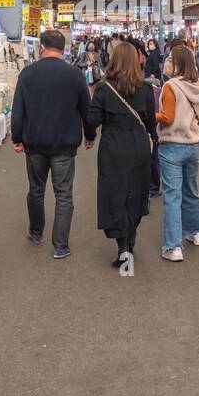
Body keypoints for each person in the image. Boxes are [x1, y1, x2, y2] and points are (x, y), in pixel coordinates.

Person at [11, 29, 97, 258]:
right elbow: (86, 111)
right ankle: (60, 245)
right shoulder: (74, 75)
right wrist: (90, 135)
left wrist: (17, 138)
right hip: (65, 145)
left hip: (35, 143)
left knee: (36, 190)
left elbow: (18, 110)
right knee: (64, 194)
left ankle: (36, 231)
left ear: (42, 46)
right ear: (63, 48)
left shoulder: (27, 74)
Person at [88, 42, 156, 269]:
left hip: (113, 148)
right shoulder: (146, 90)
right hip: (139, 148)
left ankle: (122, 246)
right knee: (136, 192)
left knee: (115, 194)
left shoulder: (104, 89)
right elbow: (151, 126)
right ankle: (131, 236)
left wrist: (89, 136)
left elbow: (92, 121)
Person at [155, 45, 199, 262]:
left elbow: (167, 117)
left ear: (177, 63)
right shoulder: (198, 85)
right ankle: (196, 233)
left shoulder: (170, 86)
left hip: (172, 146)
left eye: (170, 60)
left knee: (172, 195)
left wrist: (153, 116)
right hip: (193, 145)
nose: (167, 63)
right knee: (192, 191)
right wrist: (192, 123)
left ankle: (173, 247)